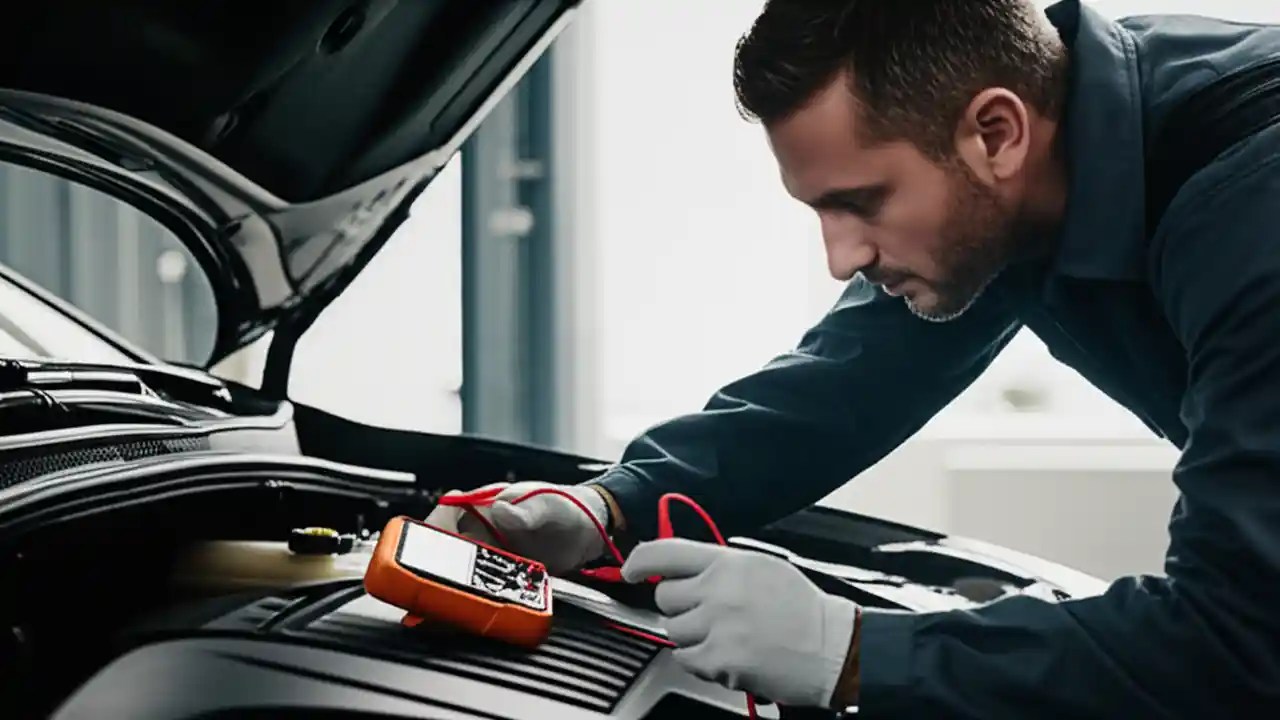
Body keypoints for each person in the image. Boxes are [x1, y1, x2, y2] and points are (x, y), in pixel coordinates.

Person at [426, 0, 1280, 715]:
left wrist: (851, 650)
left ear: (997, 133)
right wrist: (610, 507)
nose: (842, 258)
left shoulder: (1254, 216)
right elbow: (851, 378)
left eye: (861, 202)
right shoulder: (1049, 141)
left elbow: (1240, 640)